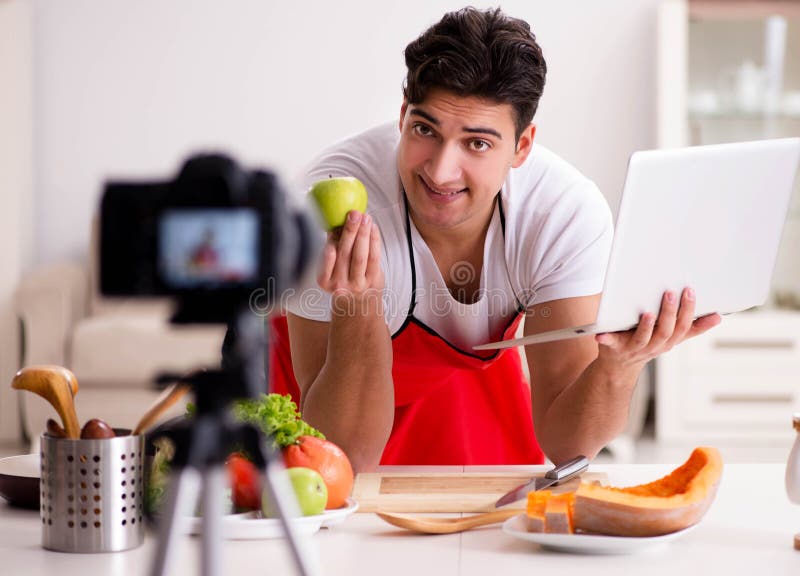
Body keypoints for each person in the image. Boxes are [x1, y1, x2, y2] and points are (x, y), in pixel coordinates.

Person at [271, 7, 721, 472]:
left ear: (522, 145)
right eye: (425, 130)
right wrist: (359, 305)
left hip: (460, 388)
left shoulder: (561, 215)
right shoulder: (330, 208)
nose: (440, 171)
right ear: (403, 115)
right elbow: (345, 454)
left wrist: (621, 365)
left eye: (477, 143)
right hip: (328, 382)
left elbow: (568, 445)